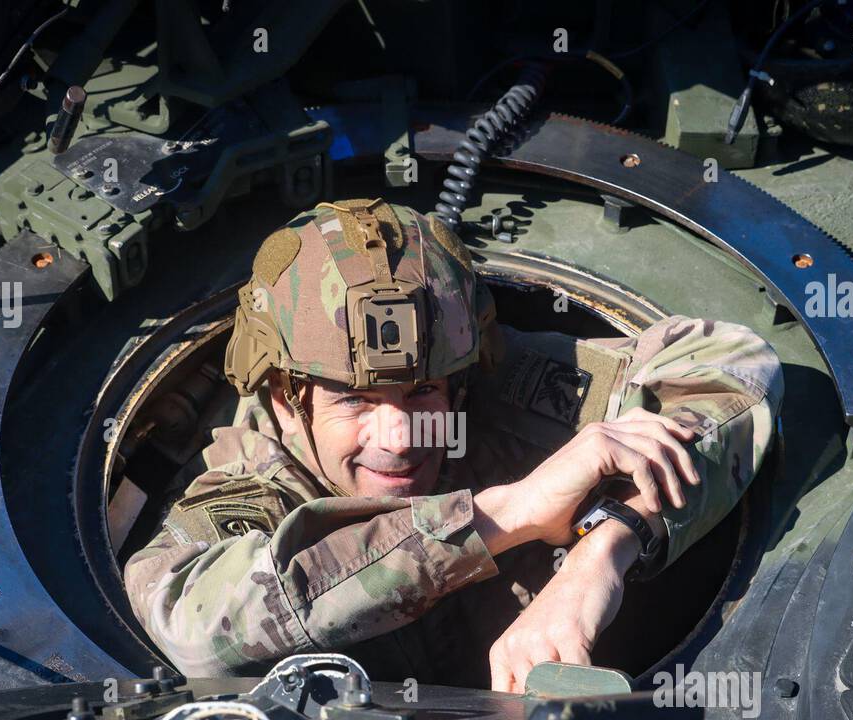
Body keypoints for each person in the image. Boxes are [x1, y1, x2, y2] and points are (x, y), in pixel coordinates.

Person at [124, 198, 783, 692]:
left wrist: (604, 550)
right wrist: (502, 517)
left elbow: (734, 365)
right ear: (284, 402)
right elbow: (191, 625)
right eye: (354, 402)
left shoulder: (495, 400)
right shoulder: (251, 483)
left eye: (422, 392)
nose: (399, 436)